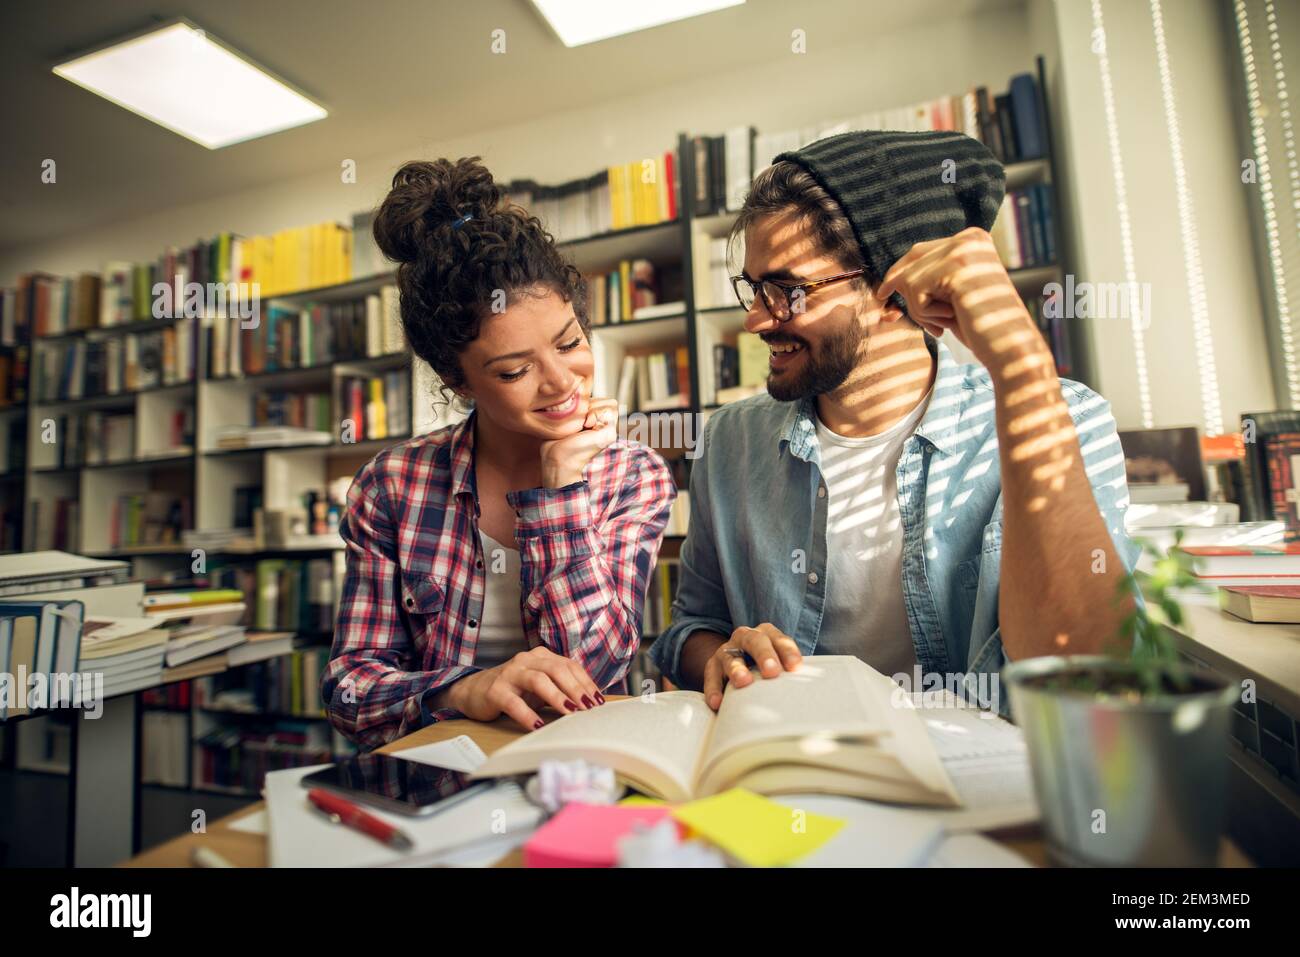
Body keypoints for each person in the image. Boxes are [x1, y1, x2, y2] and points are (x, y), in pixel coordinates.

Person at [651, 129, 1137, 714]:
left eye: (785, 291)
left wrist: (1021, 367)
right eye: (754, 289)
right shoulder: (731, 443)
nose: (756, 320)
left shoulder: (1063, 420)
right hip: (794, 774)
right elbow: (691, 626)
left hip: (980, 788)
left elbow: (1082, 673)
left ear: (894, 292)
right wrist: (722, 655)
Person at [324, 157, 676, 748]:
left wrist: (559, 490)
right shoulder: (392, 486)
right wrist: (463, 689)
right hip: (440, 767)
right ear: (457, 381)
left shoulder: (632, 476)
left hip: (580, 761)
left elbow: (592, 665)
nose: (563, 382)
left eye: (570, 342)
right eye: (514, 370)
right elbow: (349, 691)